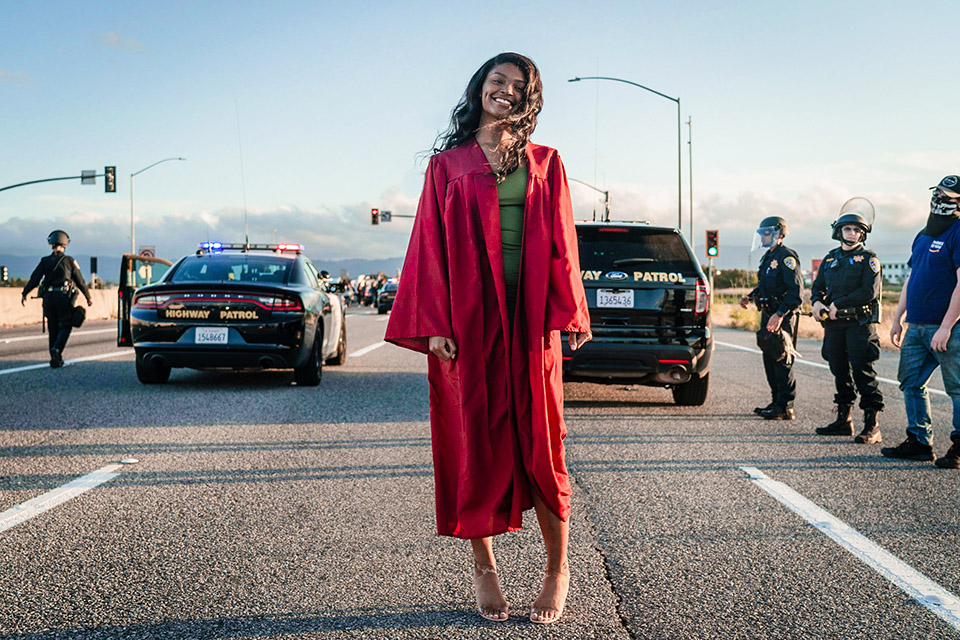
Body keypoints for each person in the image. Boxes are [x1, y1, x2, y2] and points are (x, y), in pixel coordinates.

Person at [385, 52, 591, 624]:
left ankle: (557, 569)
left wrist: (567, 316)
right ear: (479, 87)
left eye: (519, 86)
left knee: (543, 446)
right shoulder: (447, 166)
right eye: (498, 80)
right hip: (469, 323)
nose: (506, 90)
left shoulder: (546, 162)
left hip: (529, 323)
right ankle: (486, 568)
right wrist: (433, 325)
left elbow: (563, 247)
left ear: (529, 98)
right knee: (474, 440)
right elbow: (427, 245)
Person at [883, 175, 960, 468]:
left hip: (947, 328)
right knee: (911, 383)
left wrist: (946, 326)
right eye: (938, 192)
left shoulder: (959, 231)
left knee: (957, 388)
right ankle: (919, 441)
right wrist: (898, 318)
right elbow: (911, 279)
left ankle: (958, 446)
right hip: (916, 325)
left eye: (949, 195)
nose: (941, 199)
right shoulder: (923, 234)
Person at [811, 198, 884, 443]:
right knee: (838, 369)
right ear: (838, 231)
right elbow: (818, 287)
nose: (852, 233)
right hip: (833, 325)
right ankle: (844, 420)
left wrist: (837, 304)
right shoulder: (831, 259)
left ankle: (872, 425)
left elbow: (868, 292)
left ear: (863, 234)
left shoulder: (869, 259)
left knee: (863, 371)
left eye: (856, 230)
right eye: (847, 229)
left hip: (859, 325)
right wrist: (817, 302)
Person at [739, 216, 803, 420]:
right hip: (768, 315)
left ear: (779, 234)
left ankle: (786, 406)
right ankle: (776, 402)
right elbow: (766, 285)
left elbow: (796, 293)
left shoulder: (786, 257)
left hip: (780, 317)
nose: (763, 236)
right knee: (769, 359)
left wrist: (779, 315)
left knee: (782, 360)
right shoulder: (768, 256)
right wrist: (751, 295)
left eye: (766, 233)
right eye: (761, 233)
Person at [21, 230, 93, 368]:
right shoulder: (69, 261)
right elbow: (80, 281)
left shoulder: (45, 261)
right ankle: (57, 349)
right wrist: (88, 297)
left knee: (52, 327)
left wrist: (25, 293)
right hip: (63, 297)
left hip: (48, 298)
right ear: (65, 244)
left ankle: (55, 359)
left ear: (51, 243)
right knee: (65, 325)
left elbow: (34, 279)